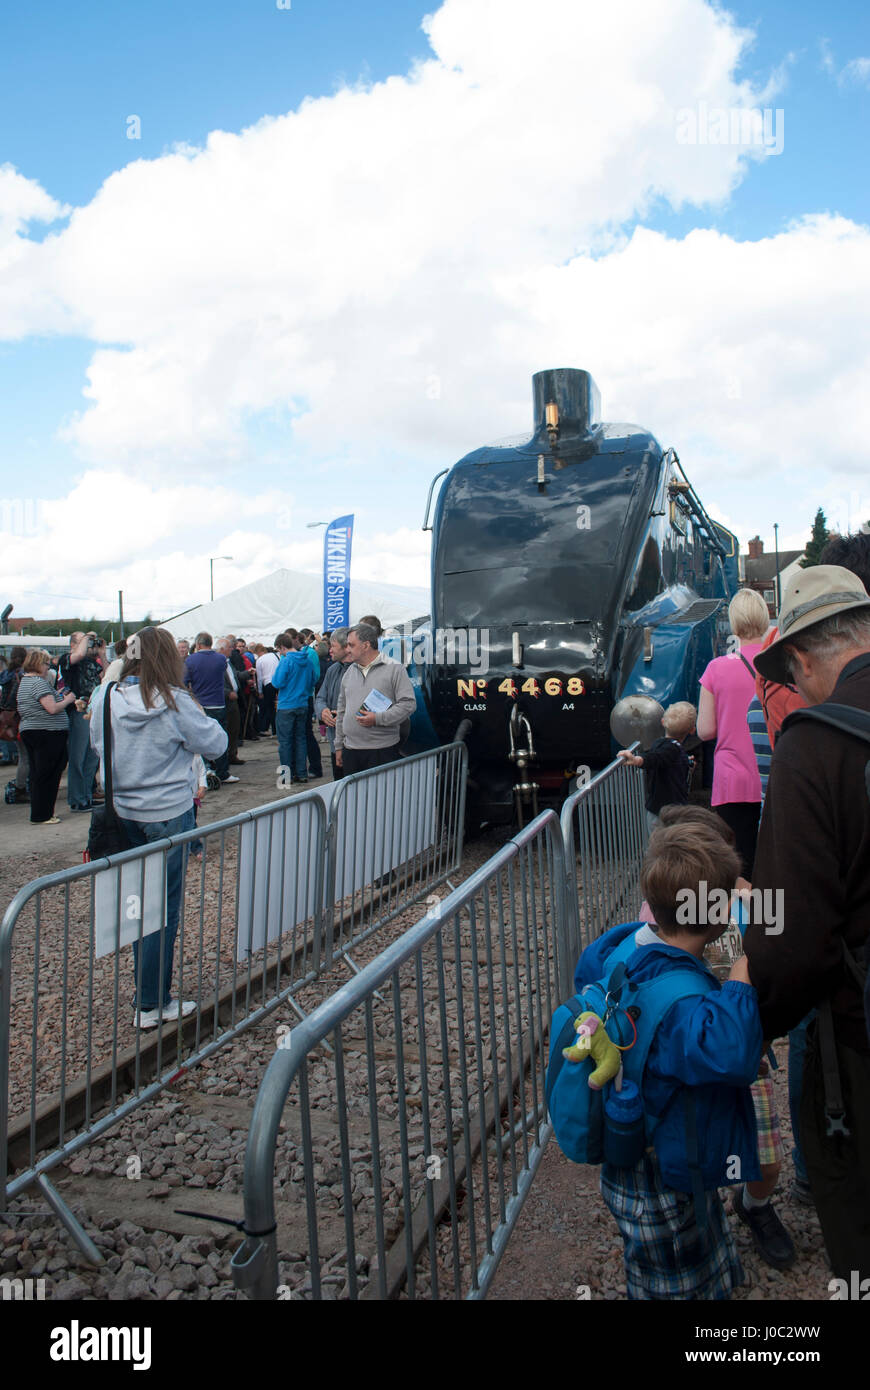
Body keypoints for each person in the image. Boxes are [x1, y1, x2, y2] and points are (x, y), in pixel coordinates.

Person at [743, 565, 870, 1282]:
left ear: (806, 655)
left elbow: (791, 943)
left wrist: (745, 1023)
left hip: (859, 1038)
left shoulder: (816, 745)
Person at [575, 821, 761, 1299]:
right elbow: (735, 1054)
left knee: (669, 1263)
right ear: (719, 918)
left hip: (631, 1149)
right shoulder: (686, 1004)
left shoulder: (624, 945)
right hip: (663, 1180)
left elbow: (587, 971)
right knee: (678, 1281)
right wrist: (740, 979)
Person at [650, 804, 795, 1269]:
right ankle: (707, 1222)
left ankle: (754, 1205)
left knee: (767, 1162)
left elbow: (785, 933)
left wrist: (753, 898)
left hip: (746, 1055)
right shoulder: (662, 914)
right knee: (699, 1154)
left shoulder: (746, 902)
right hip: (693, 1056)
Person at [89, 627, 228, 1028]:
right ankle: (152, 1002)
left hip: (122, 812)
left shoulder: (105, 698)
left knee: (137, 907)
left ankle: (146, 993)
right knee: (162, 912)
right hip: (167, 813)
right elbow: (216, 745)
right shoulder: (174, 700)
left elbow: (97, 747)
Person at [697, 589, 769, 876]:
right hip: (774, 775)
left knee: (740, 868)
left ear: (734, 623)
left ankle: (748, 919)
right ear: (765, 619)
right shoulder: (782, 663)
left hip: (732, 781)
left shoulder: (716, 669)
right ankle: (775, 919)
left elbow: (705, 730)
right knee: (773, 864)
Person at [334, 623, 417, 775]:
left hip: (382, 751)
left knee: (380, 798)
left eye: (351, 645)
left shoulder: (394, 669)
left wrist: (378, 718)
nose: (347, 650)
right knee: (355, 798)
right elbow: (342, 710)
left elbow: (408, 704)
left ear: (365, 645)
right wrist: (339, 746)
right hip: (351, 750)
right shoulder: (349, 672)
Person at [16, 648, 78, 823]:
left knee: (38, 773)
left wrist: (57, 696)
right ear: (37, 664)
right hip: (47, 733)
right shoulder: (38, 683)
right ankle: (43, 814)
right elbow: (52, 708)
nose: (47, 667)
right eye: (45, 663)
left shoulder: (25, 681)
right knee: (48, 774)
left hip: (32, 730)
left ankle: (40, 812)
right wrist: (68, 699)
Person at [616, 702, 696, 835]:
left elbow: (663, 760)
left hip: (659, 810)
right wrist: (637, 760)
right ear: (692, 730)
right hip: (667, 813)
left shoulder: (662, 745)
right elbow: (655, 758)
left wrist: (686, 763)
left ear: (663, 722)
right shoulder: (671, 749)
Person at [59, 631, 105, 811]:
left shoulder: (92, 663)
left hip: (93, 711)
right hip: (78, 711)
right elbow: (77, 655)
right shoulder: (67, 659)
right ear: (73, 644)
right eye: (84, 641)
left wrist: (101, 653)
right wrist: (88, 635)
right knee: (78, 758)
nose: (89, 644)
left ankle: (87, 795)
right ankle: (77, 799)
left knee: (92, 757)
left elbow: (107, 677)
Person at [183, 633, 237, 784]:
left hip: (201, 704)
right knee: (220, 737)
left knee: (201, 738)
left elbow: (184, 682)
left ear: (198, 644)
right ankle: (223, 771)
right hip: (218, 702)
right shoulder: (220, 659)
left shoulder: (190, 660)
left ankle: (206, 770)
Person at [272, 631, 316, 785]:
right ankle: (302, 773)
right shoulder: (307, 659)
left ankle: (286, 776)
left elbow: (277, 682)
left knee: (285, 742)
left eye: (278, 649)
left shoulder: (285, 661)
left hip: (286, 705)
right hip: (302, 703)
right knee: (301, 739)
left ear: (282, 647)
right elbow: (313, 681)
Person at [314, 627, 353, 779]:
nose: (330, 650)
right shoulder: (332, 670)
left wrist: (344, 716)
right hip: (334, 742)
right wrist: (323, 711)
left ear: (346, 647)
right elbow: (320, 698)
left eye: (333, 646)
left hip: (353, 744)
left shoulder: (359, 670)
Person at [254, 643, 279, 734]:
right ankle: (279, 729)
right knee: (279, 706)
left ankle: (274, 730)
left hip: (268, 684)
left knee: (270, 708)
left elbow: (259, 678)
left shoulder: (259, 660)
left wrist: (260, 691)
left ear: (259, 652)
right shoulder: (274, 655)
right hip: (278, 682)